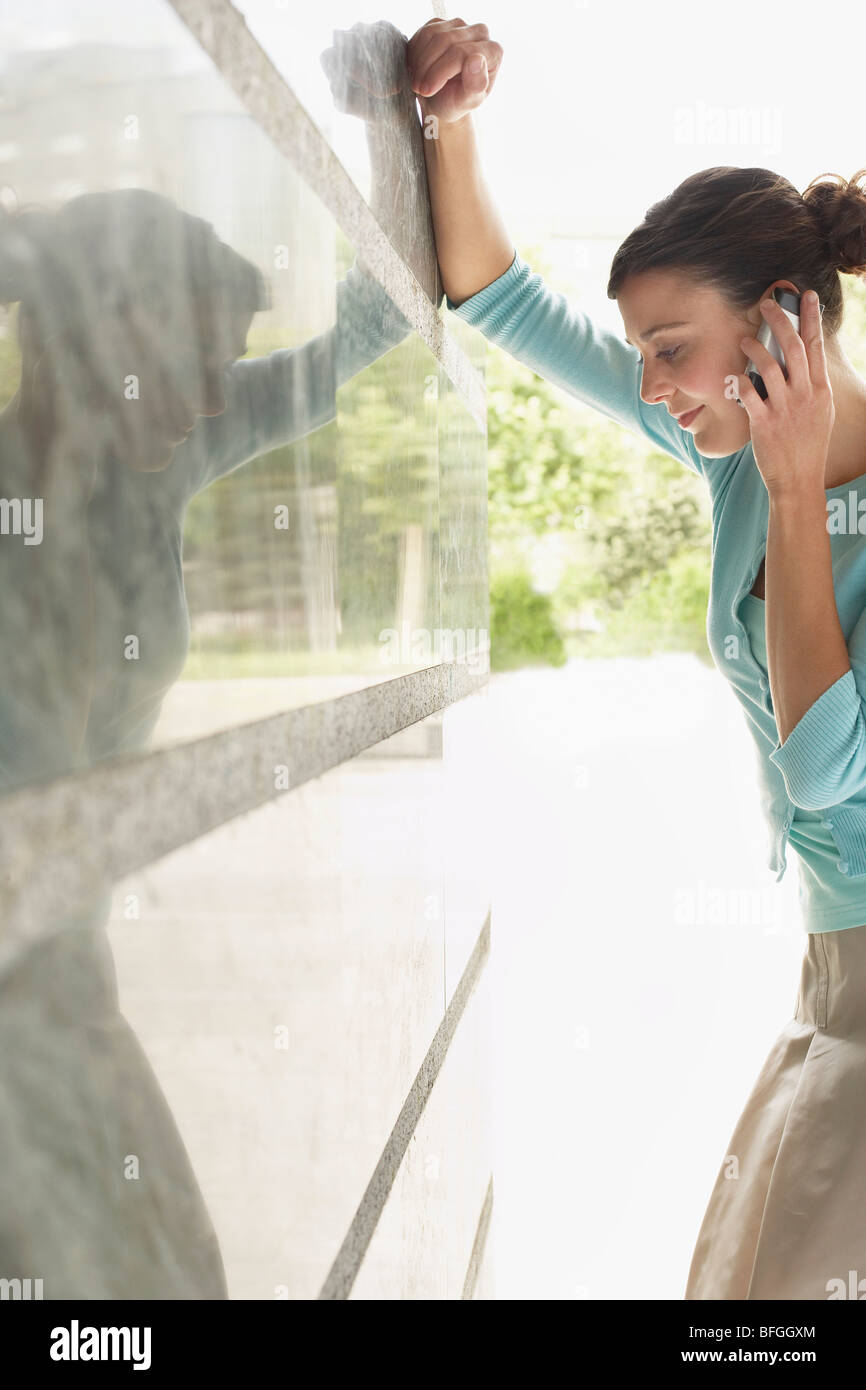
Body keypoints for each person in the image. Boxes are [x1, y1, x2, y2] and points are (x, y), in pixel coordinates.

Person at [407, 15, 866, 1299]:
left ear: (784, 323)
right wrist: (450, 110)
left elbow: (827, 773)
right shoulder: (725, 456)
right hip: (832, 969)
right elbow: (496, 295)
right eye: (646, 352)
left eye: (673, 349)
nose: (654, 387)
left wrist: (788, 498)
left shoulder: (760, 479)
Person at [0, 170, 413, 1292]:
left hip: (69, 982)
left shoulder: (159, 458)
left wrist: (413, 124)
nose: (214, 398)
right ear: (100, 332)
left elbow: (350, 348)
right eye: (195, 362)